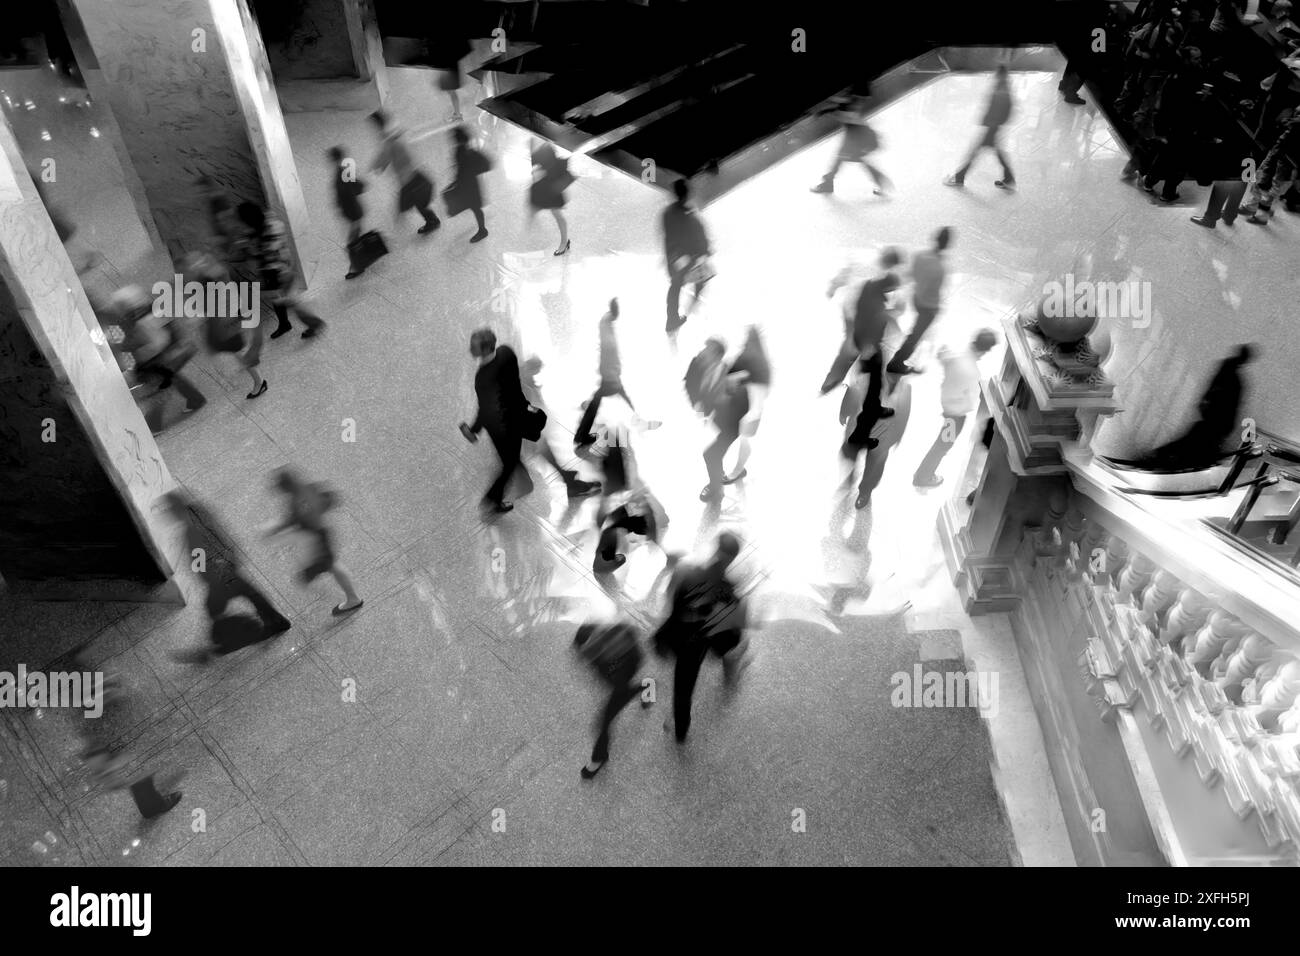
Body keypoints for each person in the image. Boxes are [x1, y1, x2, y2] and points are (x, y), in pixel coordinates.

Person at [654, 532, 751, 743]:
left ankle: (681, 731)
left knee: (683, 688)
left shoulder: (685, 570)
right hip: (701, 639)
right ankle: (730, 667)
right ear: (732, 558)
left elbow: (670, 600)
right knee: (729, 644)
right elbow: (733, 623)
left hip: (683, 639)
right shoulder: (729, 591)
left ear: (716, 548)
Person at [264, 468, 363, 615]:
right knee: (331, 565)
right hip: (320, 533)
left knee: (316, 572)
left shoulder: (297, 499)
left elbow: (295, 519)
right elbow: (331, 498)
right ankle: (351, 597)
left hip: (318, 537)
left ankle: (352, 599)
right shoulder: (308, 488)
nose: (281, 492)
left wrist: (276, 529)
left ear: (286, 487)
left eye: (281, 488)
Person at [912, 329, 998, 488]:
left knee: (942, 443)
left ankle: (923, 474)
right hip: (954, 416)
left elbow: (942, 354)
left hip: (948, 406)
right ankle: (923, 477)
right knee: (943, 445)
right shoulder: (972, 372)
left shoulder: (957, 354)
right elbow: (971, 403)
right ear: (984, 350)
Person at [458, 328, 530, 514]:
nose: (469, 350)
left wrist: (473, 430)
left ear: (485, 349)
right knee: (511, 458)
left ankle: (493, 498)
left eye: (473, 347)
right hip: (515, 416)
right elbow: (514, 384)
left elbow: (485, 410)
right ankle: (507, 480)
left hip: (500, 427)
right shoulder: (507, 352)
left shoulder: (483, 378)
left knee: (509, 464)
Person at [1150, 344, 1257, 468]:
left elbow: (1213, 387)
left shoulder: (1228, 370)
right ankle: (1166, 459)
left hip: (1213, 416)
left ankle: (1161, 457)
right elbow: (1231, 403)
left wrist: (1204, 402)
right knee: (1196, 443)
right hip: (1218, 419)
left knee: (1191, 441)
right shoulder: (1235, 379)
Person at [180, 250, 267, 399]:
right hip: (225, 320)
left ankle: (259, 382)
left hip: (227, 320)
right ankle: (250, 366)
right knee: (237, 349)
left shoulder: (214, 277)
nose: (193, 267)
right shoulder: (208, 276)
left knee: (239, 350)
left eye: (195, 263)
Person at [237, 202, 326, 341]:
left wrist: (247, 248)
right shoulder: (269, 223)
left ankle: (314, 323)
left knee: (290, 301)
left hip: (279, 274)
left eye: (243, 221)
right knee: (278, 299)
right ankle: (284, 323)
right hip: (281, 269)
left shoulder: (265, 235)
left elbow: (264, 254)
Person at [574, 619, 651, 778]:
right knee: (618, 700)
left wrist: (606, 668)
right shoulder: (595, 642)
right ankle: (646, 686)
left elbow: (619, 680)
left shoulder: (620, 644)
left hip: (621, 681)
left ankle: (599, 757)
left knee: (603, 722)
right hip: (618, 677)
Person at [113, 285, 207, 413]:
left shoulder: (141, 320)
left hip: (164, 355)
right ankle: (195, 398)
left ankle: (155, 423)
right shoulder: (152, 308)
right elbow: (169, 329)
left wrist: (141, 356)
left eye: (120, 307)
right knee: (169, 377)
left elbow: (158, 343)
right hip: (173, 348)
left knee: (160, 381)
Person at [518, 355, 602, 499]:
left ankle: (569, 479)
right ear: (528, 368)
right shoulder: (523, 386)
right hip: (529, 432)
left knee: (550, 457)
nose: (536, 373)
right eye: (535, 370)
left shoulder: (527, 382)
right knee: (547, 456)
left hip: (533, 430)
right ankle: (570, 483)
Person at [575, 298, 640, 448]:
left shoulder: (606, 320)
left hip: (610, 373)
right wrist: (613, 374)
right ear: (616, 312)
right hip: (610, 375)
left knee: (600, 400)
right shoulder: (608, 334)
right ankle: (581, 435)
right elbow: (608, 353)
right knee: (604, 398)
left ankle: (582, 434)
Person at [888, 228, 952, 376]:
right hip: (928, 307)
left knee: (916, 333)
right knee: (915, 335)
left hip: (916, 299)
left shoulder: (920, 255)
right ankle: (896, 363)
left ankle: (901, 359)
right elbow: (935, 291)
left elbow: (910, 275)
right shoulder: (941, 268)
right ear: (947, 245)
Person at [945, 64, 1016, 190]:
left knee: (974, 153)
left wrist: (987, 123)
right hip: (994, 128)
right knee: (996, 153)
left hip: (991, 128)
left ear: (999, 75)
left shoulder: (999, 91)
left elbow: (992, 110)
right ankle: (1009, 178)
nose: (994, 76)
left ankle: (959, 178)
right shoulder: (1005, 88)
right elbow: (1008, 112)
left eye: (996, 74)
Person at [370, 110, 440, 236]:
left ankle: (432, 221)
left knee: (417, 202)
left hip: (409, 178)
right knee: (413, 201)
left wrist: (376, 166)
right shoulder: (394, 131)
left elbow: (384, 158)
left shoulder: (388, 140)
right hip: (416, 171)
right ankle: (423, 216)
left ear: (377, 125)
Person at [810, 94, 893, 196]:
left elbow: (842, 108)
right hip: (857, 137)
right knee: (842, 159)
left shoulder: (846, 109)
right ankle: (828, 183)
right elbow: (836, 108)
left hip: (860, 137)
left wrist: (823, 111)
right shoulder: (843, 109)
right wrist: (822, 112)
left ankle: (880, 181)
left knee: (847, 159)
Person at [662, 177, 713, 333]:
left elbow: (670, 236)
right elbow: (695, 234)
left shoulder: (669, 213)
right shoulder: (687, 214)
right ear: (686, 194)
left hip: (675, 257)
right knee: (698, 281)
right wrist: (703, 251)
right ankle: (688, 310)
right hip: (686, 257)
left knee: (676, 287)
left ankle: (672, 319)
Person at [723, 326, 771, 485]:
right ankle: (738, 470)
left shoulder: (746, 357)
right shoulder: (764, 361)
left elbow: (728, 377)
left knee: (742, 440)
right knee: (745, 440)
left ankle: (737, 471)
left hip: (746, 410)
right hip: (754, 410)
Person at [327, 146, 372, 279]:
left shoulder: (343, 170)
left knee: (351, 243)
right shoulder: (343, 169)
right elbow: (358, 186)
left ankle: (357, 267)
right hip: (352, 211)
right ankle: (364, 258)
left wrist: (341, 202)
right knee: (356, 237)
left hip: (353, 212)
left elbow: (355, 187)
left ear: (335, 158)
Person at [529, 143, 573, 256]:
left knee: (557, 215)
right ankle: (564, 242)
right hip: (546, 190)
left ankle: (564, 242)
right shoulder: (542, 160)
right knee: (555, 214)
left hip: (553, 193)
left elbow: (562, 174)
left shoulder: (556, 164)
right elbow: (535, 170)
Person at [449, 126, 490, 243]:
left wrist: (460, 178)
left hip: (468, 185)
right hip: (470, 183)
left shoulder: (462, 152)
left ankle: (482, 230)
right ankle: (482, 229)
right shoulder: (466, 150)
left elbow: (461, 169)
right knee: (474, 207)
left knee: (475, 208)